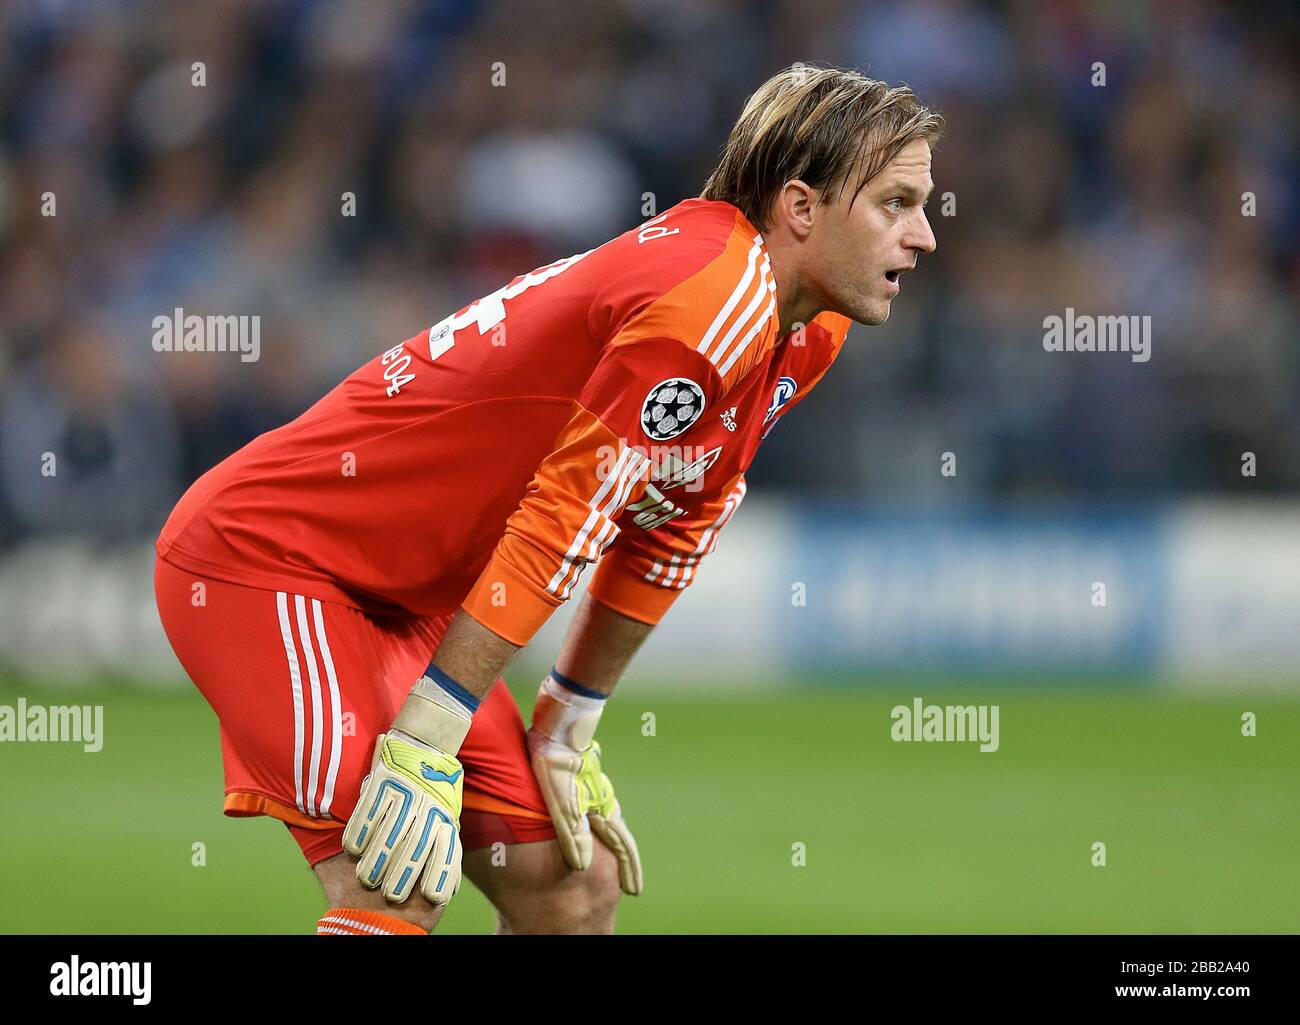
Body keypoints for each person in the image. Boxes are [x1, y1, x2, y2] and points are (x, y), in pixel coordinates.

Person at [153, 63, 941, 935]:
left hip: (407, 604)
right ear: (801, 207)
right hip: (271, 561)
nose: (925, 236)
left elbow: (679, 519)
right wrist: (428, 730)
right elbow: (564, 516)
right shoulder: (714, 296)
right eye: (896, 203)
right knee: (398, 876)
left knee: (574, 883)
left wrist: (568, 719)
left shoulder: (802, 329)